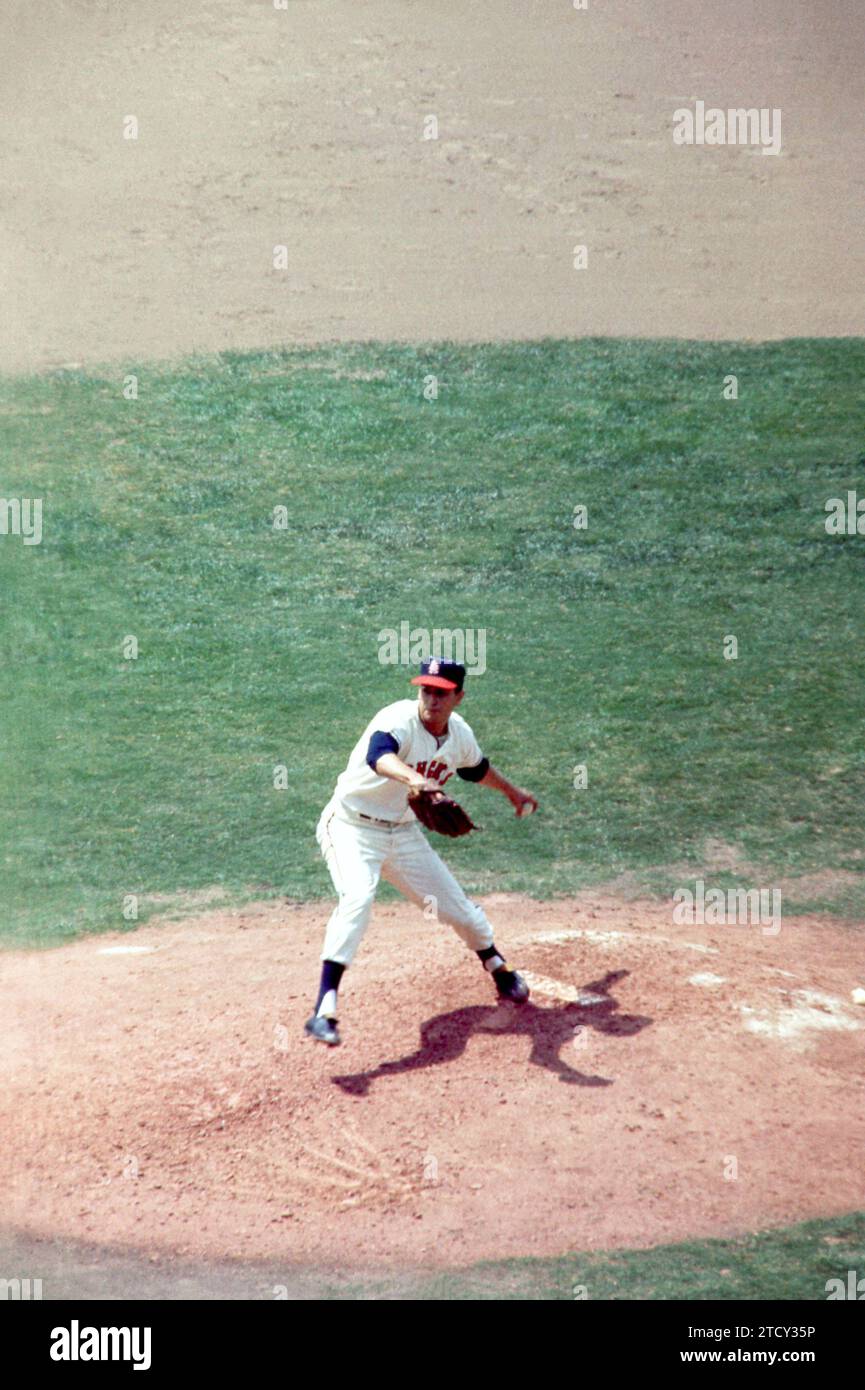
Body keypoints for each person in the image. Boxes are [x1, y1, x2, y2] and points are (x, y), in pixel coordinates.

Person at [305, 657, 539, 1045]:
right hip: (351, 827)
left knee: (456, 907)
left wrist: (512, 791)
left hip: (403, 834)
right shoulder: (397, 719)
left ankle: (499, 968)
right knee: (358, 898)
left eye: (441, 693)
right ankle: (323, 1009)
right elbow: (379, 757)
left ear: (458, 697)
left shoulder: (459, 735)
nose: (431, 699)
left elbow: (475, 769)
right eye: (426, 690)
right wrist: (418, 781)